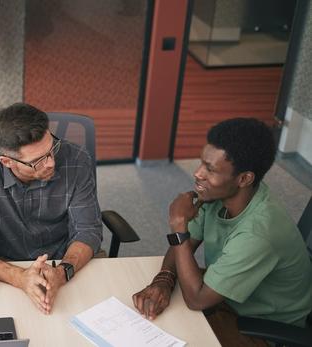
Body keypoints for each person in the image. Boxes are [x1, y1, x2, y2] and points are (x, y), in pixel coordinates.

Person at [132, 118, 312, 346]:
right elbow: (186, 245)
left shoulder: (258, 233)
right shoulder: (216, 197)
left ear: (244, 179)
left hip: (261, 328)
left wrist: (179, 224)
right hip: (227, 300)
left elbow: (197, 299)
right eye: (201, 163)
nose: (197, 174)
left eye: (211, 169)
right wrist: (163, 280)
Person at [0, 103, 103, 314]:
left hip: (65, 260)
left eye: (51, 149)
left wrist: (62, 271)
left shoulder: (77, 160)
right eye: (37, 161)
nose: (50, 163)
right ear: (7, 161)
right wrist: (19, 277)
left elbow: (89, 231)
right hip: (7, 264)